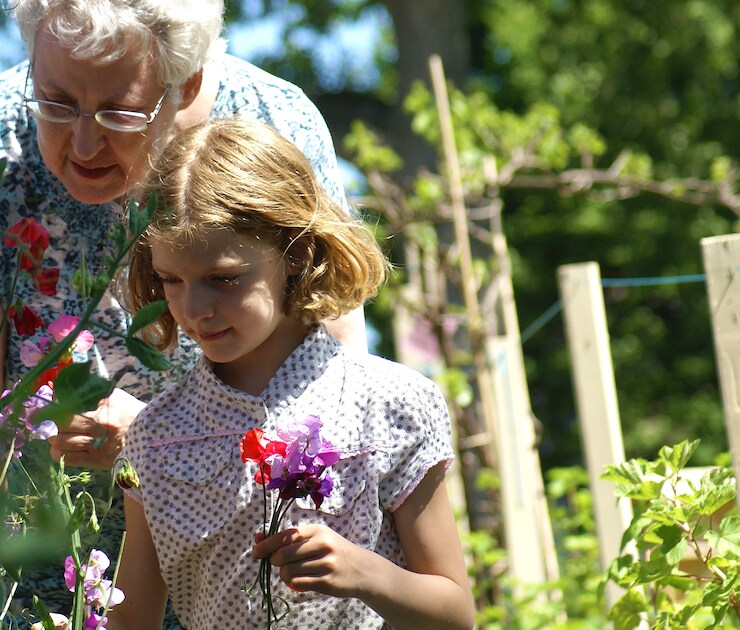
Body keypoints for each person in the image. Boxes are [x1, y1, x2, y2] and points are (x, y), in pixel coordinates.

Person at [0, 0, 367, 625]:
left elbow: (333, 413)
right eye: (56, 102)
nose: (84, 142)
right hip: (39, 593)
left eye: (120, 112)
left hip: (239, 578)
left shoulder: (274, 127)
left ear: (188, 83)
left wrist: (158, 441)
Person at [110, 118, 474, 629]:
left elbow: (455, 615)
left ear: (296, 254)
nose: (194, 309)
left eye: (223, 279)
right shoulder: (156, 436)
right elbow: (131, 621)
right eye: (171, 280)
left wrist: (366, 573)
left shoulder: (390, 403)